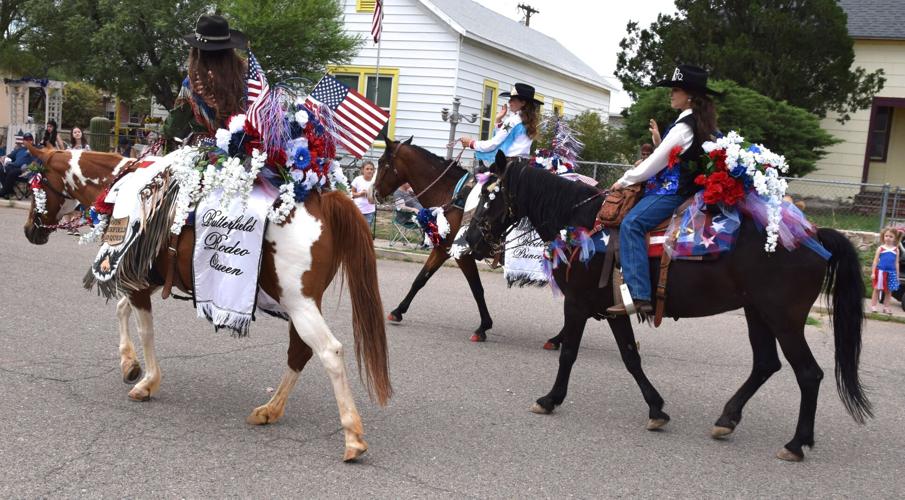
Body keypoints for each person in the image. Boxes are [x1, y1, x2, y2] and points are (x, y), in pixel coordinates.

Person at [606, 65, 720, 316]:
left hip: (673, 191)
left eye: (675, 90)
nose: (671, 94)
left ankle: (639, 296)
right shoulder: (697, 122)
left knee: (632, 224)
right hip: (681, 187)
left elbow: (655, 162)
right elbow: (666, 155)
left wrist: (624, 180)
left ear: (689, 96)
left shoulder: (684, 127)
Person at [162, 14, 248, 149]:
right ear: (229, 48)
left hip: (207, 154)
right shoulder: (247, 75)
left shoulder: (192, 83)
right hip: (248, 148)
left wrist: (164, 132)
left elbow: (174, 126)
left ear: (198, 50)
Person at [456, 82, 543, 161]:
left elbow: (494, 143)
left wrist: (471, 143)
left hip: (510, 165)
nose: (509, 102)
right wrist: (498, 120)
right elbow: (504, 138)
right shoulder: (528, 120)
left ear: (523, 102)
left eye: (513, 99)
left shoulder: (513, 121)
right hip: (523, 164)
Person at [871, 227, 901, 314]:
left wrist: (897, 275)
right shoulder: (881, 248)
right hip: (880, 272)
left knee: (888, 291)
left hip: (891, 273)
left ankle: (886, 307)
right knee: (877, 289)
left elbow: (896, 263)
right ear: (883, 237)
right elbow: (875, 261)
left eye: (891, 236)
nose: (888, 238)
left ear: (895, 238)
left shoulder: (896, 250)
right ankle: (873, 306)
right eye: (886, 236)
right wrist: (873, 272)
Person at [0, 133, 35, 199]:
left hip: (24, 170)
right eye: (26, 140)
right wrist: (3, 157)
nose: (28, 141)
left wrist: (31, 151)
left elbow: (36, 161)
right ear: (23, 141)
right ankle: (9, 192)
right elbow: (9, 156)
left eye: (30, 140)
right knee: (1, 170)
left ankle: (3, 192)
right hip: (13, 167)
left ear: (32, 141)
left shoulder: (34, 150)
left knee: (11, 173)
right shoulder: (20, 149)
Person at [351, 161, 377, 226]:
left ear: (374, 171)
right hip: (357, 209)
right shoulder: (357, 179)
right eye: (367, 169)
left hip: (370, 211)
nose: (369, 171)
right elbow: (351, 193)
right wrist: (360, 194)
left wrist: (371, 194)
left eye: (371, 169)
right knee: (356, 229)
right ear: (362, 170)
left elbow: (378, 196)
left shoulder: (375, 182)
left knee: (366, 230)